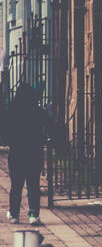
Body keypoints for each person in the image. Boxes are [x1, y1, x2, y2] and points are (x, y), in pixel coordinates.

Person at [0, 82, 57, 225]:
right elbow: (51, 126)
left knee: (16, 185)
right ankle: (33, 214)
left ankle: (14, 214)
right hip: (34, 152)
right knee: (33, 184)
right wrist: (45, 138)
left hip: (17, 152)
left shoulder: (12, 111)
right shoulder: (38, 110)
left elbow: (4, 131)